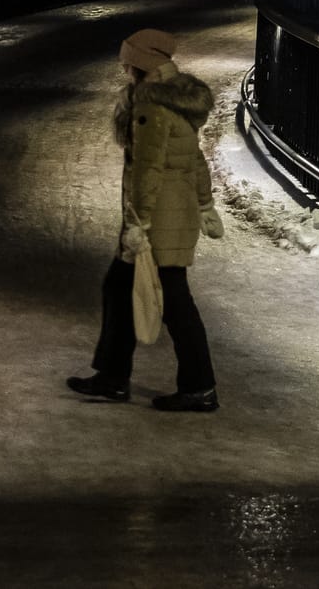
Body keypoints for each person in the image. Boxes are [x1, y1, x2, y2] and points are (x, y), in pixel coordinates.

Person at [67, 27, 224, 412]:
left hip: (158, 221)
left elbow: (147, 171)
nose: (123, 68)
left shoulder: (152, 107)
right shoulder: (176, 101)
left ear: (142, 65)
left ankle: (199, 388)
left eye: (127, 62)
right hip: (176, 213)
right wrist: (204, 206)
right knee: (119, 290)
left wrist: (138, 224)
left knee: (175, 303)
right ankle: (113, 377)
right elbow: (196, 160)